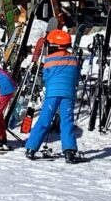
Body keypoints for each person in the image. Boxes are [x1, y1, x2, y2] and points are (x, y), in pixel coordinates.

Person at [26, 28, 85, 163]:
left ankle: (31, 148)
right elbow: (76, 77)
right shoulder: (74, 59)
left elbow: (46, 77)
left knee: (44, 120)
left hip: (52, 94)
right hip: (68, 94)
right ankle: (69, 152)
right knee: (67, 122)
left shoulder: (49, 59)